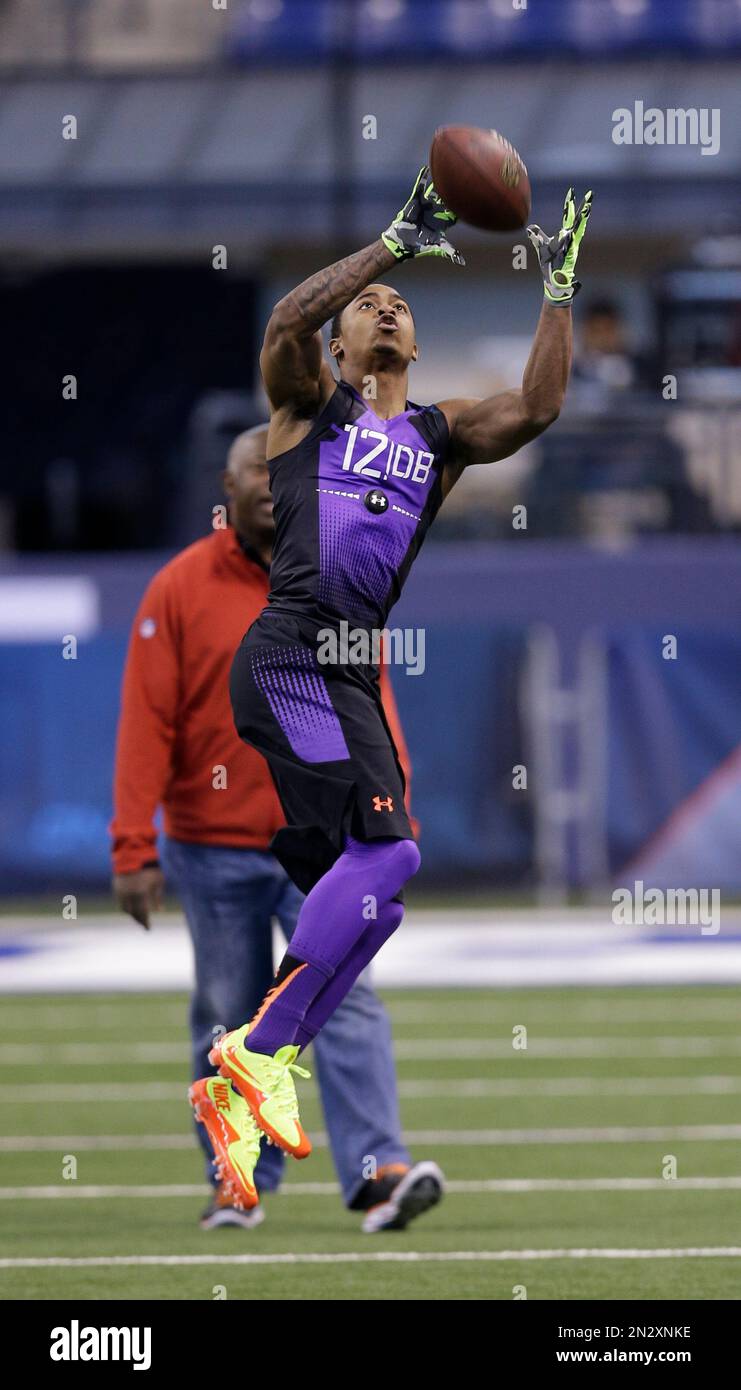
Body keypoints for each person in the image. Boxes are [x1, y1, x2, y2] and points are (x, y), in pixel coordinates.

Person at [191, 169, 592, 1207]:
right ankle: (257, 1052)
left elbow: (541, 403)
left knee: (378, 904)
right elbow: (286, 315)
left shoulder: (437, 435)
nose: (385, 306)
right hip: (291, 648)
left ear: (414, 353)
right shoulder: (305, 407)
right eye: (368, 305)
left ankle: (257, 1069)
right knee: (395, 851)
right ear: (337, 349)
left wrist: (558, 288)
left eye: (398, 307)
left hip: (350, 664)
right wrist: (394, 244)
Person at [111, 425, 444, 1233]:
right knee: (227, 1007)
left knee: (349, 999)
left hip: (328, 844)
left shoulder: (340, 580)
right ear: (224, 495)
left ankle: (377, 1173)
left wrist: (391, 807)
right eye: (254, 471)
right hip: (214, 842)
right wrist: (133, 845)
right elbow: (147, 721)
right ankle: (238, 1179)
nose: (270, 482)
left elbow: (369, 704)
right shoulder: (179, 586)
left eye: (281, 470)